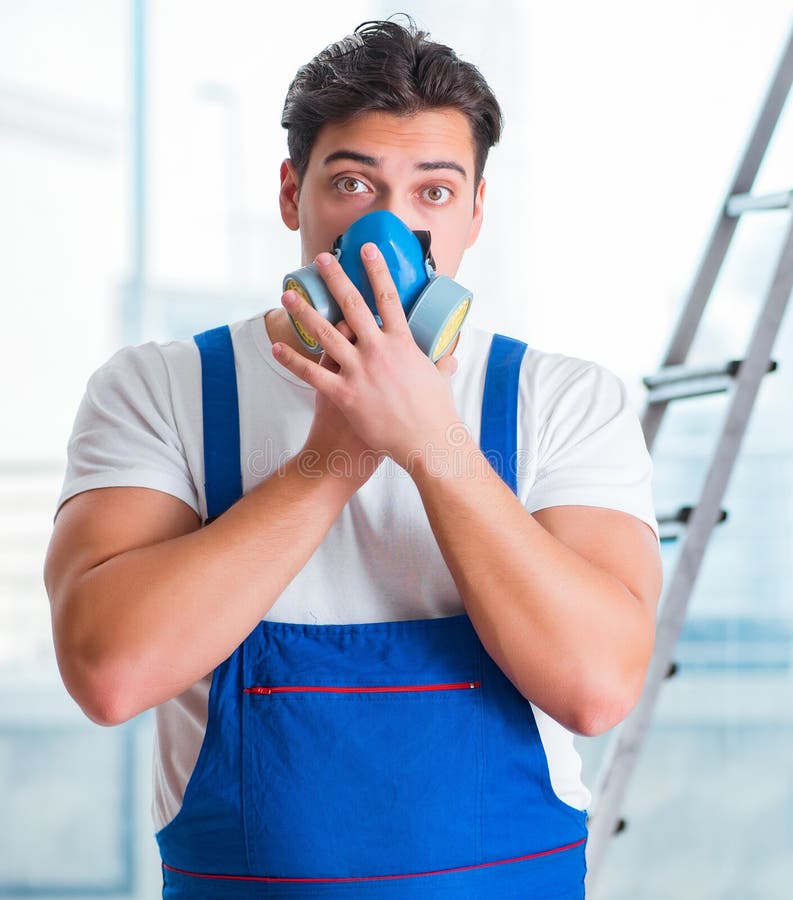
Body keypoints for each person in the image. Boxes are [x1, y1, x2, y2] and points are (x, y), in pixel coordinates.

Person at [44, 15, 662, 898]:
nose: (391, 231)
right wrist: (333, 459)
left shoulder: (560, 401)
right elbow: (110, 675)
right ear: (293, 195)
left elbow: (596, 687)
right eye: (353, 184)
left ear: (477, 211)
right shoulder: (161, 391)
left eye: (434, 194)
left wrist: (432, 443)